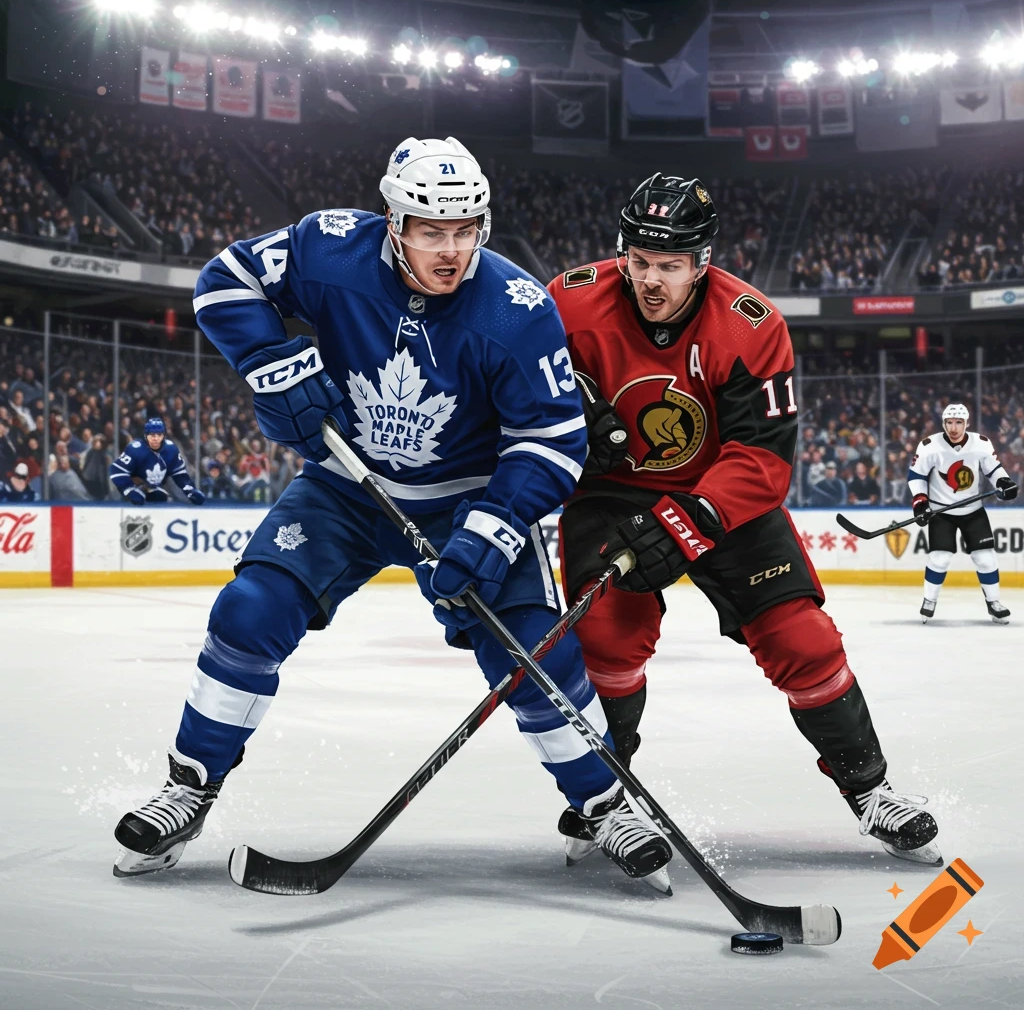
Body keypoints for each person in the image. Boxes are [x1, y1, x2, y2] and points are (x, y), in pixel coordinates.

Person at [112, 136, 672, 890]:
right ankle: (190, 786)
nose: (451, 250)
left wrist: (496, 524)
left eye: (466, 229)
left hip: (465, 502)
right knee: (249, 612)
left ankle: (604, 803)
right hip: (346, 485)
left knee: (535, 651)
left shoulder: (517, 309)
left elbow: (553, 439)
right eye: (432, 231)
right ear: (393, 222)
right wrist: (271, 365)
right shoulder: (328, 247)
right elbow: (225, 280)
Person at [548, 173, 941, 868]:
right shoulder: (569, 303)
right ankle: (607, 794)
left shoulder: (750, 323)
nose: (650, 280)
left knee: (802, 637)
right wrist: (567, 417)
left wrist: (689, 519)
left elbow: (761, 459)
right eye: (639, 261)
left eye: (670, 265)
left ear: (703, 261)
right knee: (607, 635)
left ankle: (871, 790)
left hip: (719, 495)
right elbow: (520, 392)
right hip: (609, 494)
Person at [908, 402, 1018, 623]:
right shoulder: (929, 446)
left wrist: (1004, 482)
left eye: (959, 422)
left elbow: (994, 470)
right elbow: (916, 476)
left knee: (985, 557)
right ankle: (929, 600)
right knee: (940, 557)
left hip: (972, 511)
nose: (954, 428)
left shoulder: (981, 444)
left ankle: (994, 603)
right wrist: (920, 502)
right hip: (941, 511)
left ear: (967, 423)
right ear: (943, 423)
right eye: (949, 422)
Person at [108, 417, 206, 506]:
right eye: (152, 435)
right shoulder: (135, 449)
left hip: (154, 489)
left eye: (159, 435)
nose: (155, 438)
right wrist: (129, 489)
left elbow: (179, 473)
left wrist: (190, 491)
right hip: (133, 493)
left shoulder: (170, 449)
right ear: (146, 435)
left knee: (160, 497)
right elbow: (116, 470)